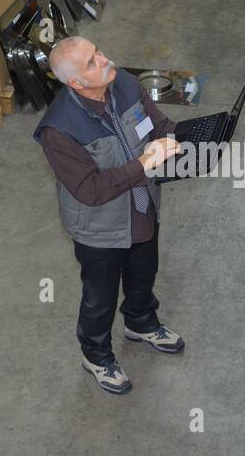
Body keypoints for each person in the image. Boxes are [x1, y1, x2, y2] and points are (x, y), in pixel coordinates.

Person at [33, 36, 185, 395]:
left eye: (97, 52)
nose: (103, 59)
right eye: (91, 62)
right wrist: (146, 161)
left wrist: (186, 139)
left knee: (143, 271)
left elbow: (159, 124)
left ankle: (141, 321)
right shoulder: (58, 130)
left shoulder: (124, 83)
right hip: (98, 229)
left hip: (142, 204)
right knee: (99, 297)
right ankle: (97, 356)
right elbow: (92, 190)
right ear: (76, 83)